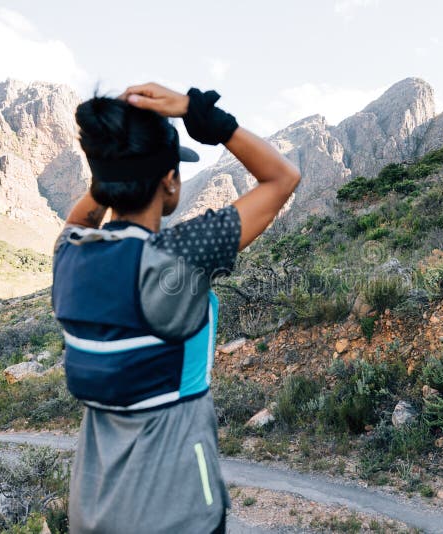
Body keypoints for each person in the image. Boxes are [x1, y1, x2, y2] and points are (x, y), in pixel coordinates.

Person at [51, 83, 300, 533]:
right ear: (169, 180)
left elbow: (78, 217)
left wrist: (113, 170)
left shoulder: (69, 253)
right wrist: (200, 114)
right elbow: (283, 178)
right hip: (177, 514)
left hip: (92, 511)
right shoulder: (174, 259)